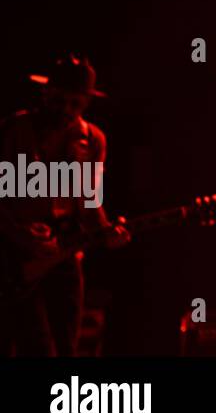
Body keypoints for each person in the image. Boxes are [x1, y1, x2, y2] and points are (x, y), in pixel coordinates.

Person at [0, 54, 129, 356]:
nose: (65, 111)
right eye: (59, 101)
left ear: (86, 103)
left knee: (64, 345)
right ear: (45, 93)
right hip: (14, 258)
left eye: (75, 104)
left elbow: (89, 202)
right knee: (36, 346)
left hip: (64, 257)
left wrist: (109, 232)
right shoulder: (14, 132)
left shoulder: (92, 140)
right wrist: (22, 237)